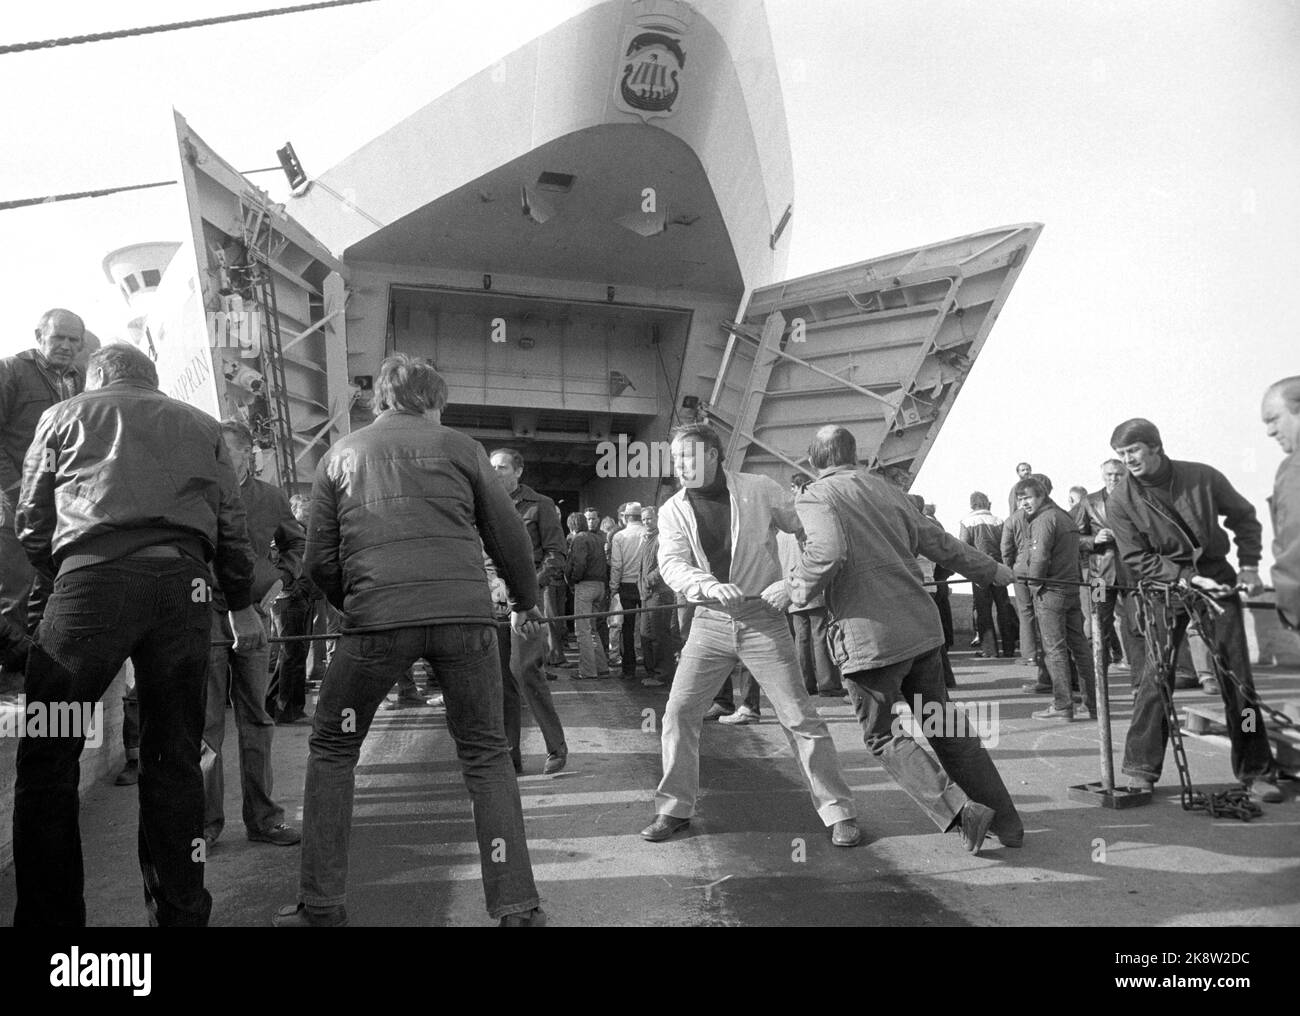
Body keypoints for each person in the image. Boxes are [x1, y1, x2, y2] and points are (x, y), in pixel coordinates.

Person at [278, 354, 547, 927]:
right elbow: (510, 540)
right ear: (433, 399)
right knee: (486, 754)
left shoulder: (340, 454)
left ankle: (322, 905)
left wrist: (358, 605)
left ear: (382, 400)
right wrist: (524, 602)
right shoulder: (462, 447)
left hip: (377, 623)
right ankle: (516, 905)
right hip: (465, 623)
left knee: (332, 750)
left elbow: (318, 560)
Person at [13, 342, 261, 926]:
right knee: (172, 755)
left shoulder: (63, 414)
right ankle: (179, 915)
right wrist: (240, 603)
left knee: (50, 754)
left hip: (89, 587)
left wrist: (64, 578)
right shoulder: (202, 425)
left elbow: (30, 518)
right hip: (183, 587)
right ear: (152, 382)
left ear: (99, 377)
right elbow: (232, 524)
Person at [792, 425, 1024, 854]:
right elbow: (939, 543)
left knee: (883, 735)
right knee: (944, 726)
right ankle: (1008, 824)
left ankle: (961, 812)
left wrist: (793, 589)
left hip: (869, 640)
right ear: (853, 455)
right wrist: (991, 570)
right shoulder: (889, 491)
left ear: (814, 462)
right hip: (920, 630)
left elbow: (826, 554)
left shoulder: (815, 495)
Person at [639, 423, 862, 848]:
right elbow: (671, 565)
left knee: (799, 717)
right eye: (675, 459)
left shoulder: (759, 488)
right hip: (709, 623)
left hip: (764, 620)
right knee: (678, 714)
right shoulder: (672, 510)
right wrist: (706, 585)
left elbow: (809, 526)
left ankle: (839, 812)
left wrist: (796, 580)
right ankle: (674, 808)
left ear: (713, 456)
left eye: (686, 456)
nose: (679, 465)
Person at [1106, 418, 1282, 804]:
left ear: (1155, 446)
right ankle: (1140, 770)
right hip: (1162, 588)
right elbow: (1136, 557)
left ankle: (1256, 771)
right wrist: (1183, 576)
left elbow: (1244, 517)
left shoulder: (1203, 477)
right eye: (1120, 454)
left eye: (1133, 451)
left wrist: (1250, 564)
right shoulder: (1120, 499)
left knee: (1237, 680)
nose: (1126, 460)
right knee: (1155, 677)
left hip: (1216, 579)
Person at [201, 419, 305, 849]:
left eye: (228, 452)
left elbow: (297, 545)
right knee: (206, 722)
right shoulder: (197, 494)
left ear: (248, 454)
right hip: (205, 614)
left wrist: (280, 580)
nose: (222, 461)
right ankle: (205, 825)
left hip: (255, 616)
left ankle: (263, 819)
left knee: (257, 719)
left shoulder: (271, 498)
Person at [0, 309, 84, 705]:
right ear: (39, 335)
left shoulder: (78, 381)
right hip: (16, 502)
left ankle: (39, 677)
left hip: (61, 505)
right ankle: (11, 680)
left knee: (49, 589)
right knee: (14, 591)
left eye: (74, 340)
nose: (66, 346)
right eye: (58, 338)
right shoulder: (12, 371)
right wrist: (15, 488)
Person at [489, 447, 569, 775]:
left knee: (526, 672)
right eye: (491, 467)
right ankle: (511, 755)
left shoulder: (541, 505)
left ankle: (556, 747)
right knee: (502, 680)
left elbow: (556, 556)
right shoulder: (484, 506)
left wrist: (524, 595)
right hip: (493, 604)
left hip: (528, 606)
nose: (495, 473)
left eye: (502, 467)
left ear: (519, 471)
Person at [1012, 476, 1096, 721]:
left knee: (1055, 650)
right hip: (1071, 589)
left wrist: (1034, 585)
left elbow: (1039, 559)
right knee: (1080, 648)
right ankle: (1092, 703)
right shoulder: (1064, 516)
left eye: (1027, 497)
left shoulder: (1044, 520)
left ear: (1041, 496)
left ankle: (1062, 704)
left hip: (1051, 592)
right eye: (1020, 499)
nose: (1024, 503)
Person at [1074, 460, 1146, 689]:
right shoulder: (1089, 501)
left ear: (1125, 475)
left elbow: (1151, 535)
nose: (1113, 479)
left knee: (1136, 628)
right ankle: (1098, 683)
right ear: (1102, 474)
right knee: (1098, 627)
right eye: (1109, 474)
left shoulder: (1138, 498)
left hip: (1133, 575)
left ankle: (1139, 684)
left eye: (1117, 474)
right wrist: (1093, 540)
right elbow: (1073, 538)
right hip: (1099, 577)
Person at [778, 474, 845, 696]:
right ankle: (828, 683)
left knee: (801, 638)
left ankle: (806, 684)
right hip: (810, 585)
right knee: (820, 635)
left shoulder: (781, 529)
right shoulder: (808, 524)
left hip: (790, 587)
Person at [958, 492, 1017, 658]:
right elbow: (1007, 544)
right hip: (998, 568)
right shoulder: (999, 521)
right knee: (1003, 607)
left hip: (979, 570)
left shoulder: (967, 522)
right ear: (987, 503)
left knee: (983, 610)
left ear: (972, 504)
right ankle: (1009, 647)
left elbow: (963, 547)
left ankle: (989, 650)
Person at [1263, 377, 1300, 630]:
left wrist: (1292, 612)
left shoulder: (1294, 468)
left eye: (1274, 419)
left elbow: (1295, 549)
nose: (1270, 431)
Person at [564, 512, 611, 679]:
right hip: (600, 586)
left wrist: (572, 580)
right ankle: (601, 667)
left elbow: (579, 563)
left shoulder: (579, 539)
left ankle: (587, 671)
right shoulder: (597, 539)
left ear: (571, 526)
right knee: (592, 629)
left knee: (582, 629)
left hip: (585, 586)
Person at [637, 504, 679, 688]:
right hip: (647, 594)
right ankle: (653, 672)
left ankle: (662, 675)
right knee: (646, 633)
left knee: (658, 635)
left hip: (659, 593)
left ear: (657, 519)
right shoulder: (647, 538)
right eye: (644, 518)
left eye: (649, 518)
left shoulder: (661, 538)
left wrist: (648, 580)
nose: (646, 522)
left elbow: (665, 565)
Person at [609, 501, 648, 678]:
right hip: (646, 584)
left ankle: (629, 669)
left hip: (626, 585)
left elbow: (617, 565)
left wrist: (613, 587)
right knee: (647, 626)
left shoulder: (619, 537)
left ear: (625, 517)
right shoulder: (648, 534)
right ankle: (650, 666)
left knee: (627, 628)